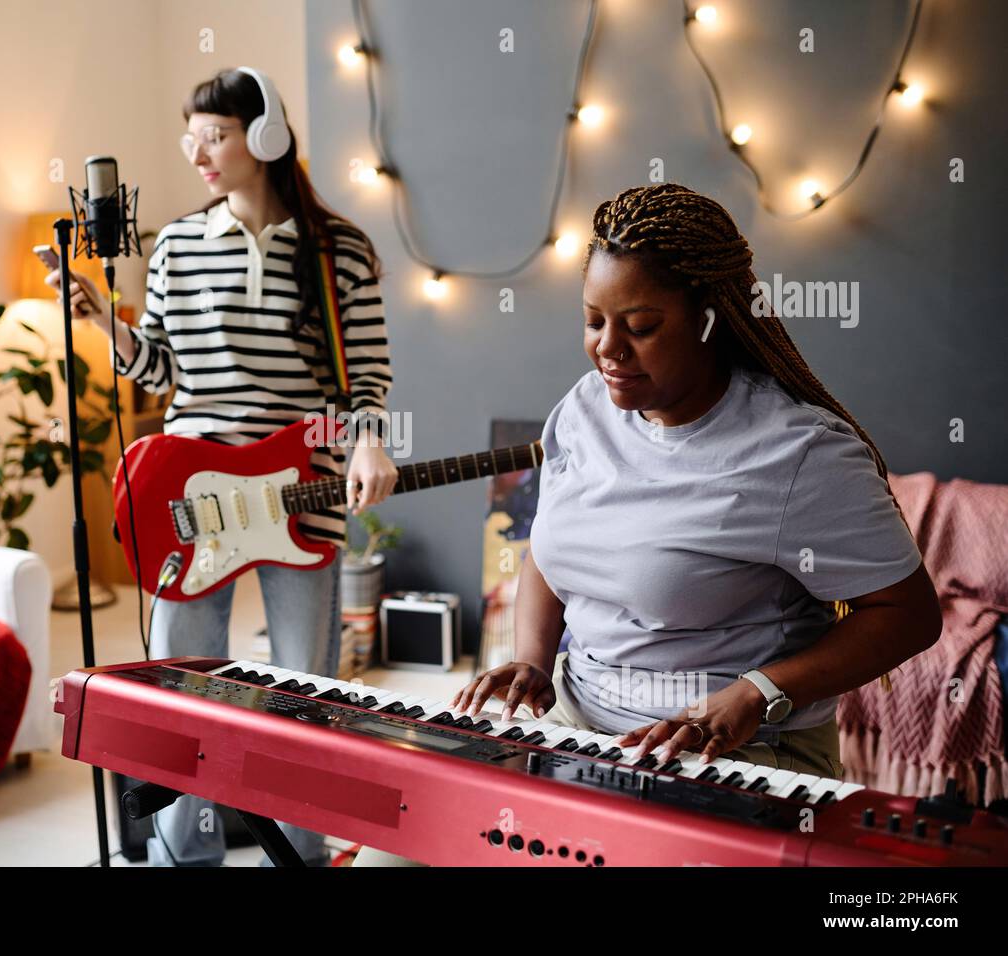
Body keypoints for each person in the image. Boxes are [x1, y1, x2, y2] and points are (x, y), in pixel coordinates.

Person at [354, 182, 940, 866]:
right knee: (393, 852)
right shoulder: (584, 410)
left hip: (735, 747)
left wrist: (759, 692)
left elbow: (908, 614)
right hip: (582, 723)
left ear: (710, 320)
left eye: (640, 326)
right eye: (593, 320)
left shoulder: (799, 453)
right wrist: (531, 661)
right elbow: (551, 548)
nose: (608, 349)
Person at [51, 67, 396, 866]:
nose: (198, 151)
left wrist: (370, 438)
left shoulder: (340, 251)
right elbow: (162, 370)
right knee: (184, 690)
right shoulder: (174, 243)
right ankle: (186, 854)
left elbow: (368, 378)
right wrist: (107, 320)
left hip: (300, 488)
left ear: (266, 137)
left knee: (304, 694)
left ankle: (302, 856)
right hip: (186, 492)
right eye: (192, 135)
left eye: (217, 134)